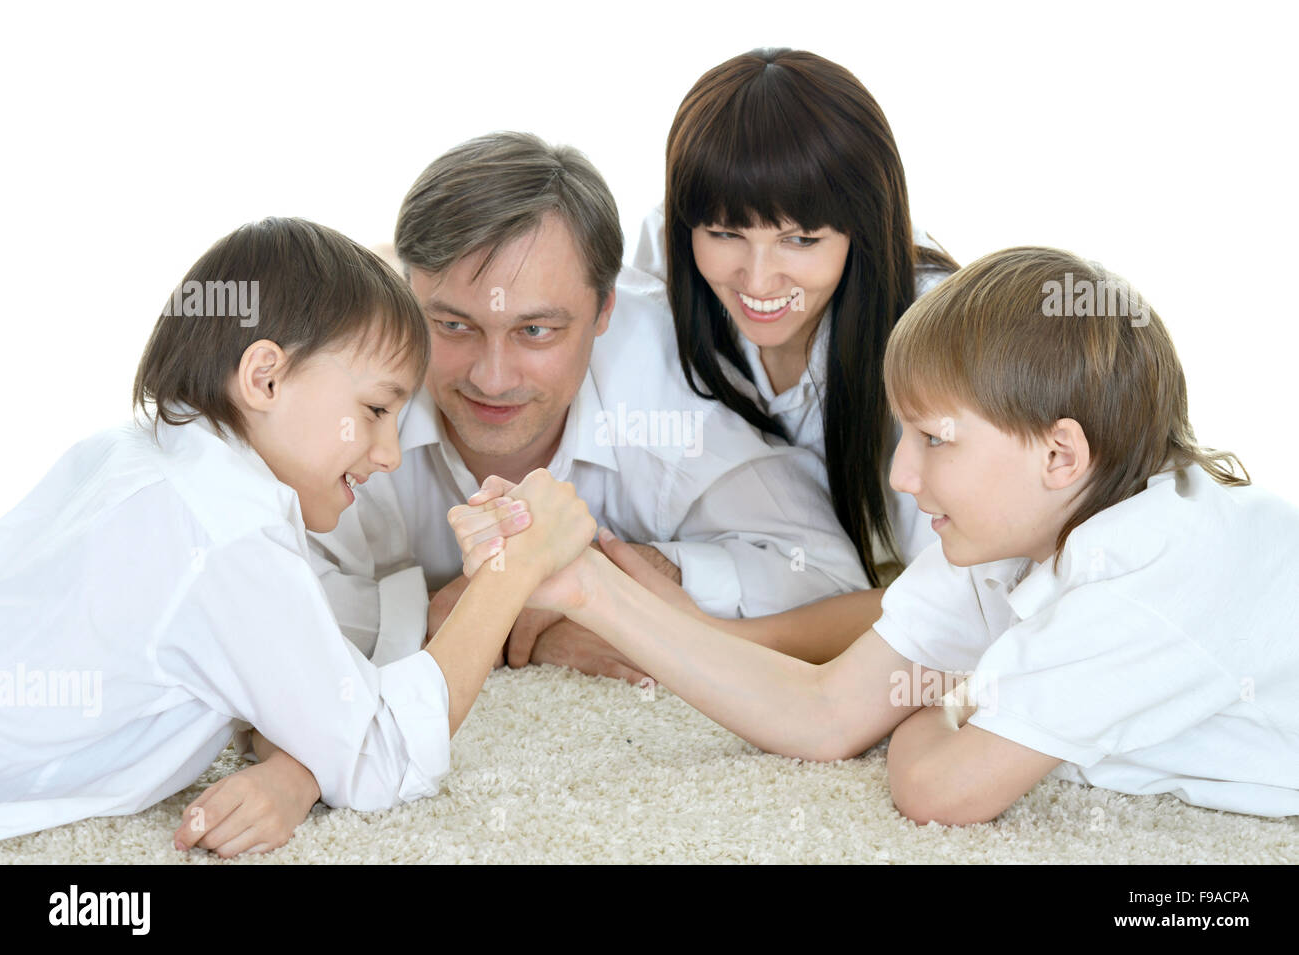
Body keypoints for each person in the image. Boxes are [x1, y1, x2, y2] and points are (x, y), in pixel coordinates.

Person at [460, 247, 1299, 821]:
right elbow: (823, 712)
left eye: (934, 439)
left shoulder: (1145, 571)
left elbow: (940, 788)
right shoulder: (1006, 535)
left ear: (1060, 453)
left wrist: (950, 699)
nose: (902, 476)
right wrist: (590, 588)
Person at [0, 217, 596, 854]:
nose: (390, 453)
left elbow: (298, 671)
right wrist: (513, 571)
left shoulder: (129, 454)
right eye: (375, 410)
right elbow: (382, 755)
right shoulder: (228, 534)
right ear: (265, 379)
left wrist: (295, 773)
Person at [308, 131, 871, 684]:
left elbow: (829, 576)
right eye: (454, 325)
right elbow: (249, 583)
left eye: (535, 330)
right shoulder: (340, 382)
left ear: (605, 310)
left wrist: (628, 580)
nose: (492, 377)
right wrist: (479, 610)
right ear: (406, 296)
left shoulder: (666, 390)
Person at [633, 48, 959, 598]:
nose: (758, 281)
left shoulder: (930, 333)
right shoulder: (663, 257)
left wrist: (692, 636)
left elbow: (951, 597)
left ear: (863, 228)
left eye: (801, 240)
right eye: (725, 234)